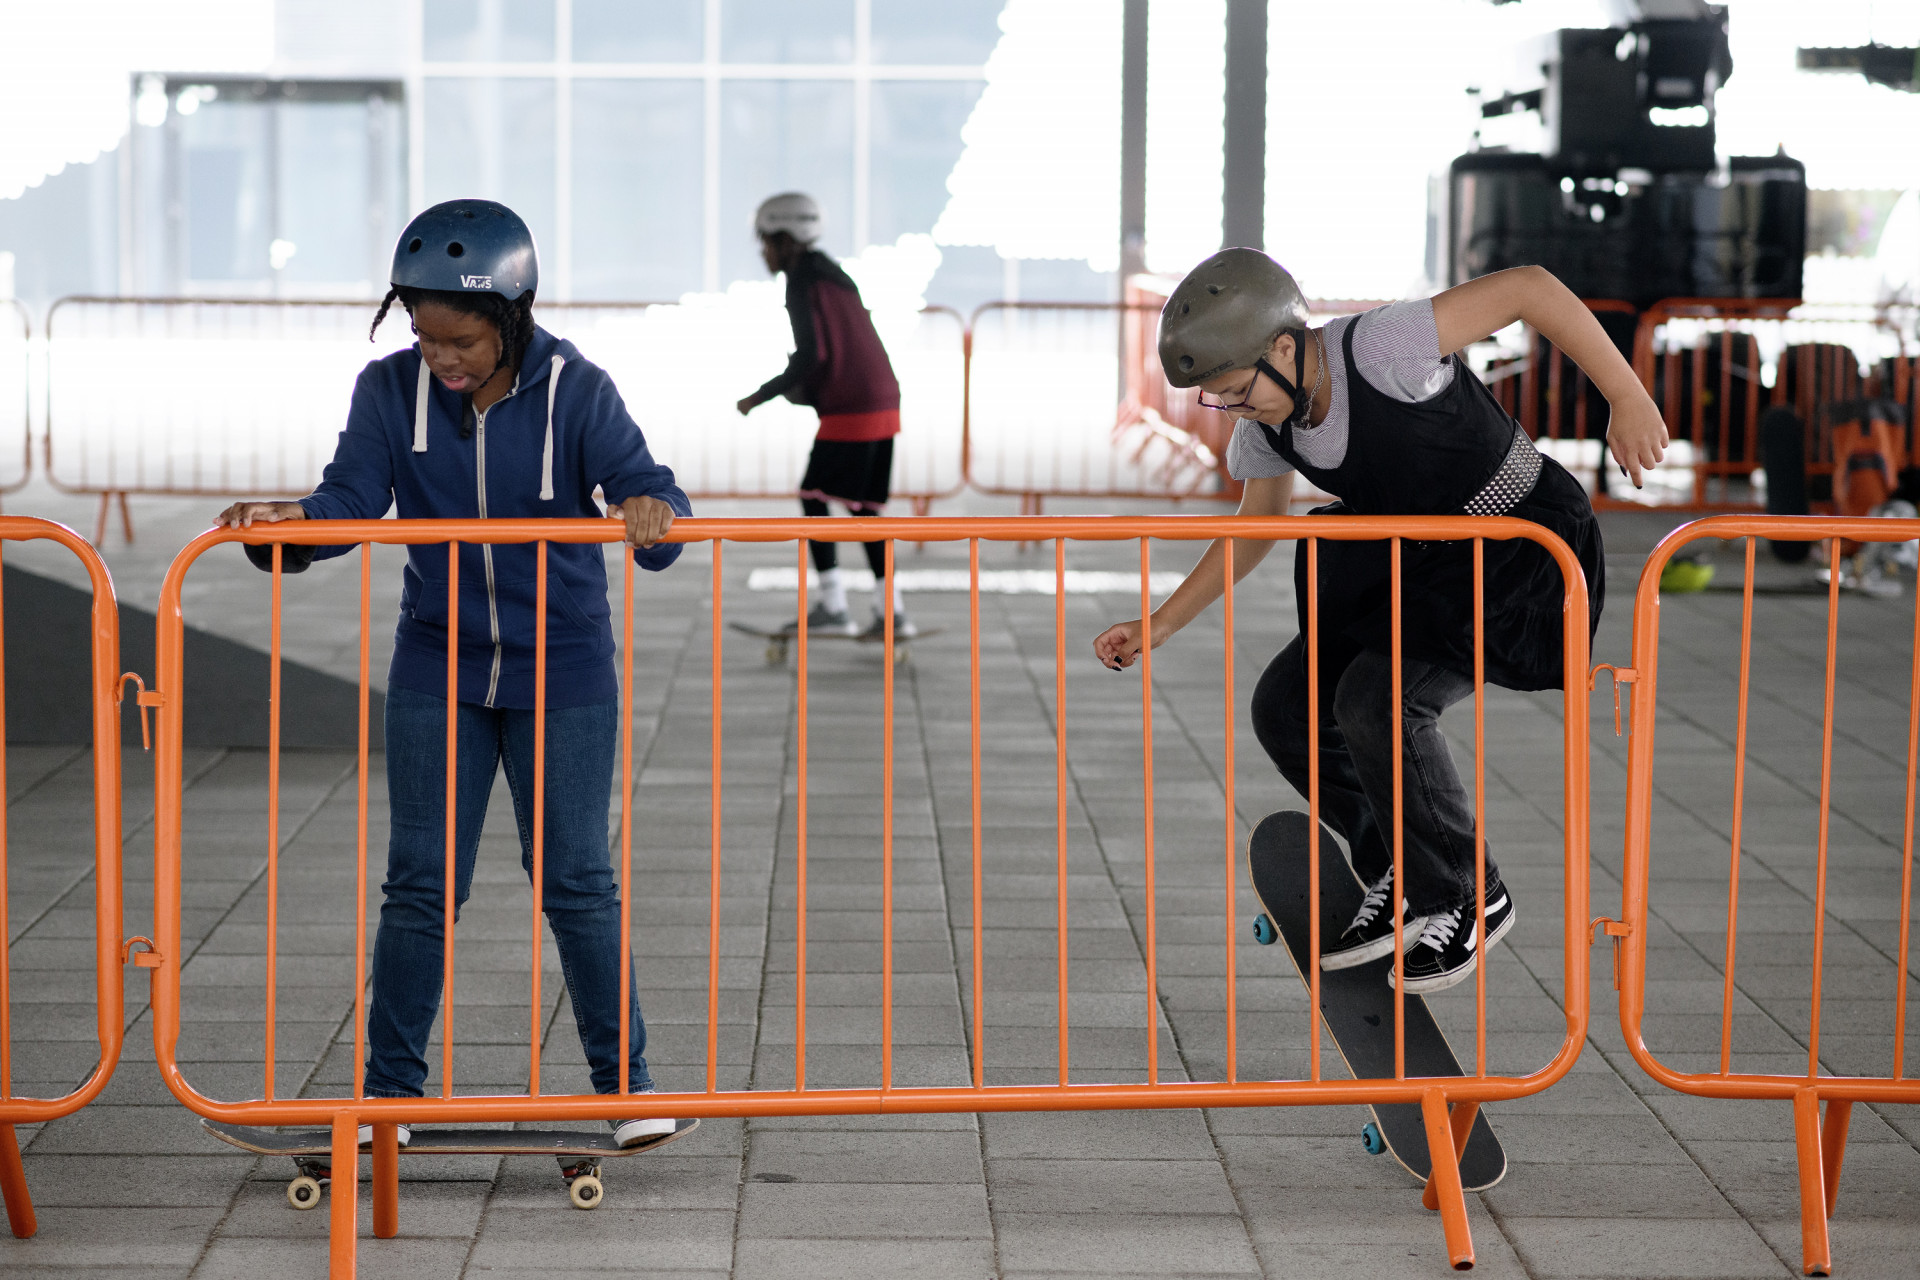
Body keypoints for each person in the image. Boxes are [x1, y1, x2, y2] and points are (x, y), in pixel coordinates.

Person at [215, 198, 691, 1144]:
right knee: (421, 885)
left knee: (576, 881)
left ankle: (627, 1090)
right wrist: (292, 530)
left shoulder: (577, 390)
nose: (442, 358)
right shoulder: (388, 390)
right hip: (437, 665)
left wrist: (651, 512)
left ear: (511, 317)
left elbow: (653, 491)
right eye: (426, 337)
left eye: (462, 341)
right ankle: (389, 1098)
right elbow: (350, 499)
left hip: (564, 670)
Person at [1093, 249, 1667, 993]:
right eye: (1220, 400)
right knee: (1287, 709)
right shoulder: (1266, 423)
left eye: (1237, 391)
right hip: (1421, 563)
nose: (1235, 411)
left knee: (1378, 700)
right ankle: (1404, 869)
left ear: (1283, 347)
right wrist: (1161, 622)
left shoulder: (1383, 348)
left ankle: (1466, 892)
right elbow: (1255, 527)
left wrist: (1628, 396)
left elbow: (1530, 287)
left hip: (1518, 547)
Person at [735, 192, 911, 637]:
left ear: (785, 239)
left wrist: (759, 396)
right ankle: (891, 612)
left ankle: (834, 606)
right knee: (864, 509)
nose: (763, 252)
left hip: (853, 406)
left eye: (766, 242)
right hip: (883, 399)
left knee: (813, 496)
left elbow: (813, 354)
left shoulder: (801, 279)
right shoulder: (833, 272)